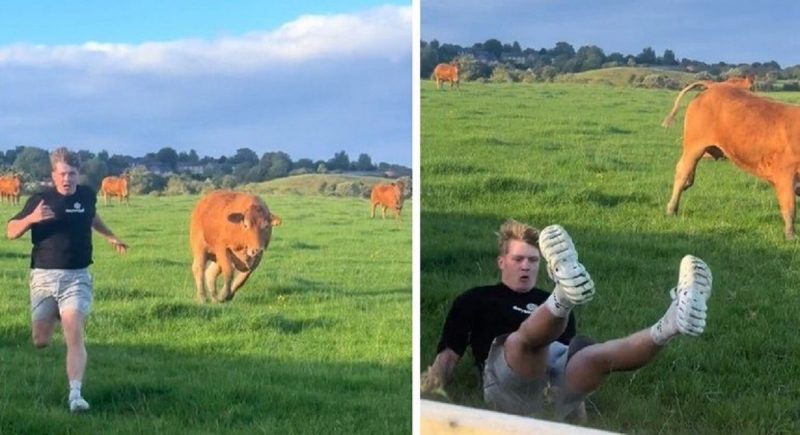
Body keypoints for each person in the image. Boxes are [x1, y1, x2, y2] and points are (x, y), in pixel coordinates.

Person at [421, 219, 712, 421]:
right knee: (525, 341)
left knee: (595, 356)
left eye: (533, 260)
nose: (526, 266)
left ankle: (673, 322)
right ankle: (565, 296)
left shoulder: (544, 305)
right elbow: (448, 358)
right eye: (518, 259)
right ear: (501, 262)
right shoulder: (476, 298)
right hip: (506, 383)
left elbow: (567, 364)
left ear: (542, 264)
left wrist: (577, 416)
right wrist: (428, 395)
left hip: (551, 388)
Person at [6, 148, 129, 413]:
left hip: (77, 277)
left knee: (74, 333)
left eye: (72, 174)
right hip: (44, 278)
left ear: (77, 175)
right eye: (62, 174)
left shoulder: (86, 196)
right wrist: (31, 219)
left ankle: (76, 395)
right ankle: (61, 312)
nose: (67, 179)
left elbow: (91, 216)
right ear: (54, 175)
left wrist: (110, 236)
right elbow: (10, 232)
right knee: (41, 340)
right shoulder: (40, 200)